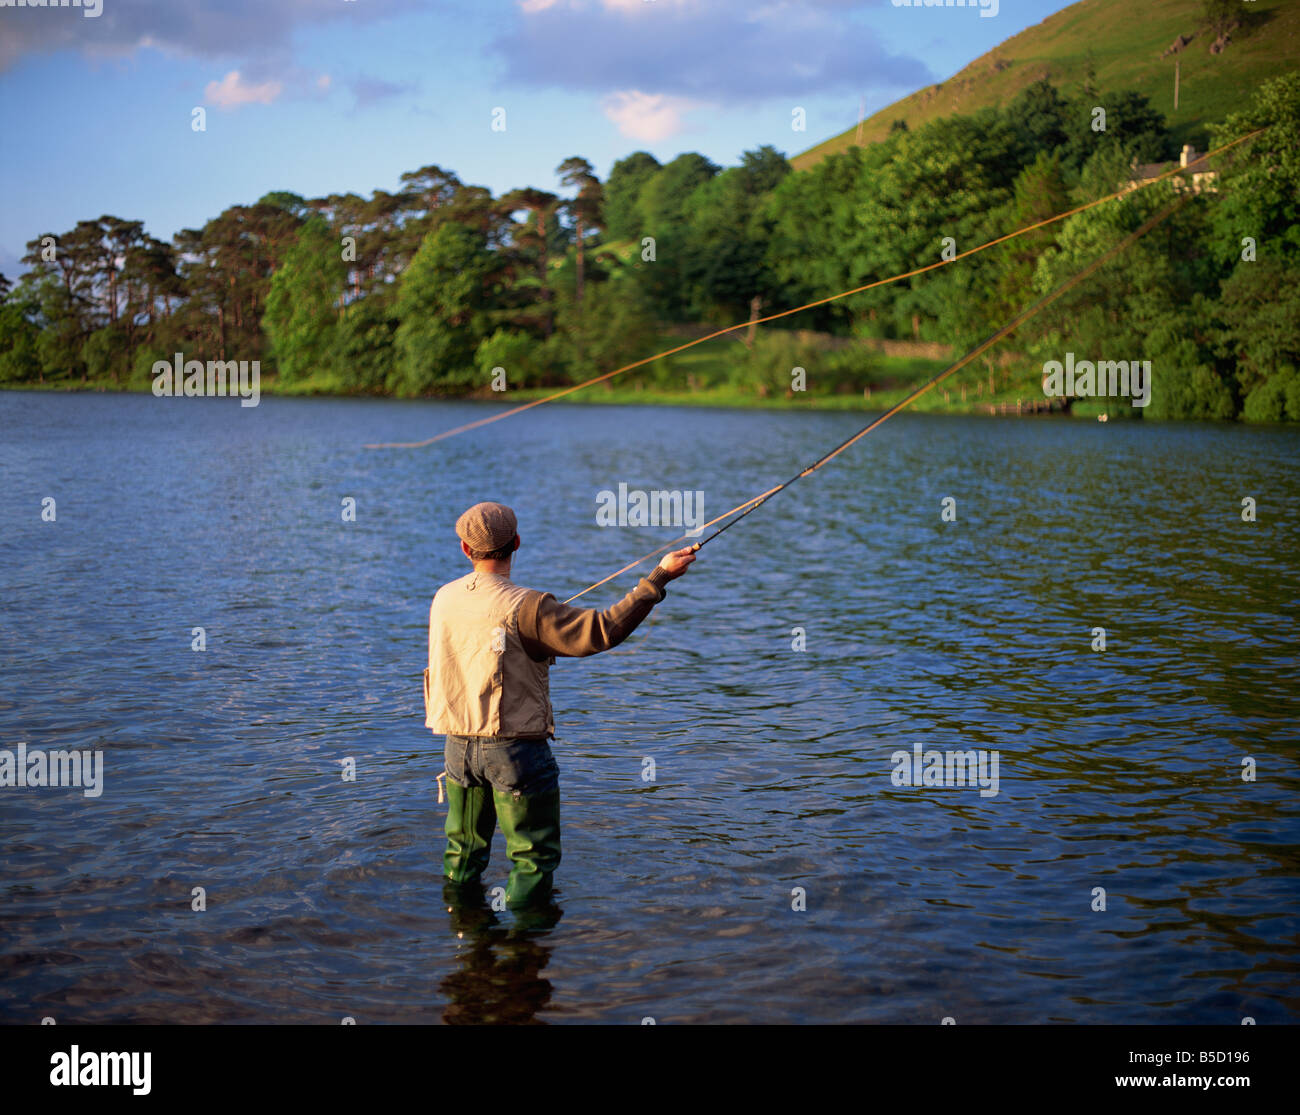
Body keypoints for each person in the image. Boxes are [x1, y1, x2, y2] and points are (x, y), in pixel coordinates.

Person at [425, 501, 696, 909]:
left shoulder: (443, 598)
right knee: (532, 861)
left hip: (457, 749)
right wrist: (657, 579)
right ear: (516, 543)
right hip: (516, 753)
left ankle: (464, 938)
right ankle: (524, 951)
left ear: (465, 549)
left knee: (462, 854)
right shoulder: (528, 606)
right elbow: (602, 631)